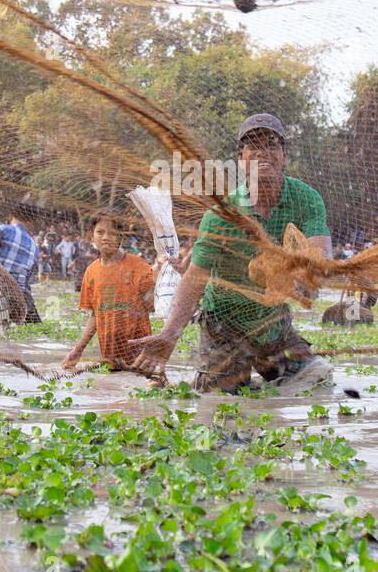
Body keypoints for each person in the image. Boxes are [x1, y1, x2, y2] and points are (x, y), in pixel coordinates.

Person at [130, 113, 332, 393]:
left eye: (271, 145)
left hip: (273, 324)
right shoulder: (221, 215)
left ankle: (264, 371)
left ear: (284, 154)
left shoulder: (306, 199)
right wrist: (169, 334)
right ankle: (210, 377)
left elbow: (319, 251)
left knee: (317, 381)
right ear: (241, 158)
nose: (263, 153)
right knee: (221, 403)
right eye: (254, 146)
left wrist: (308, 274)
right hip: (223, 325)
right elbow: (194, 278)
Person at [62, 214, 156, 370]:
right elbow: (95, 315)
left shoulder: (137, 265)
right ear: (91, 234)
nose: (106, 238)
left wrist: (158, 279)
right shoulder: (91, 271)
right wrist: (77, 350)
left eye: (112, 234)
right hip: (109, 355)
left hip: (139, 355)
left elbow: (151, 305)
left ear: (121, 237)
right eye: (100, 232)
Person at [0, 215, 41, 323]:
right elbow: (29, 277)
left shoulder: (4, 229)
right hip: (23, 294)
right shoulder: (34, 245)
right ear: (29, 223)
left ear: (12, 217)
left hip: (0, 289)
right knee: (34, 326)